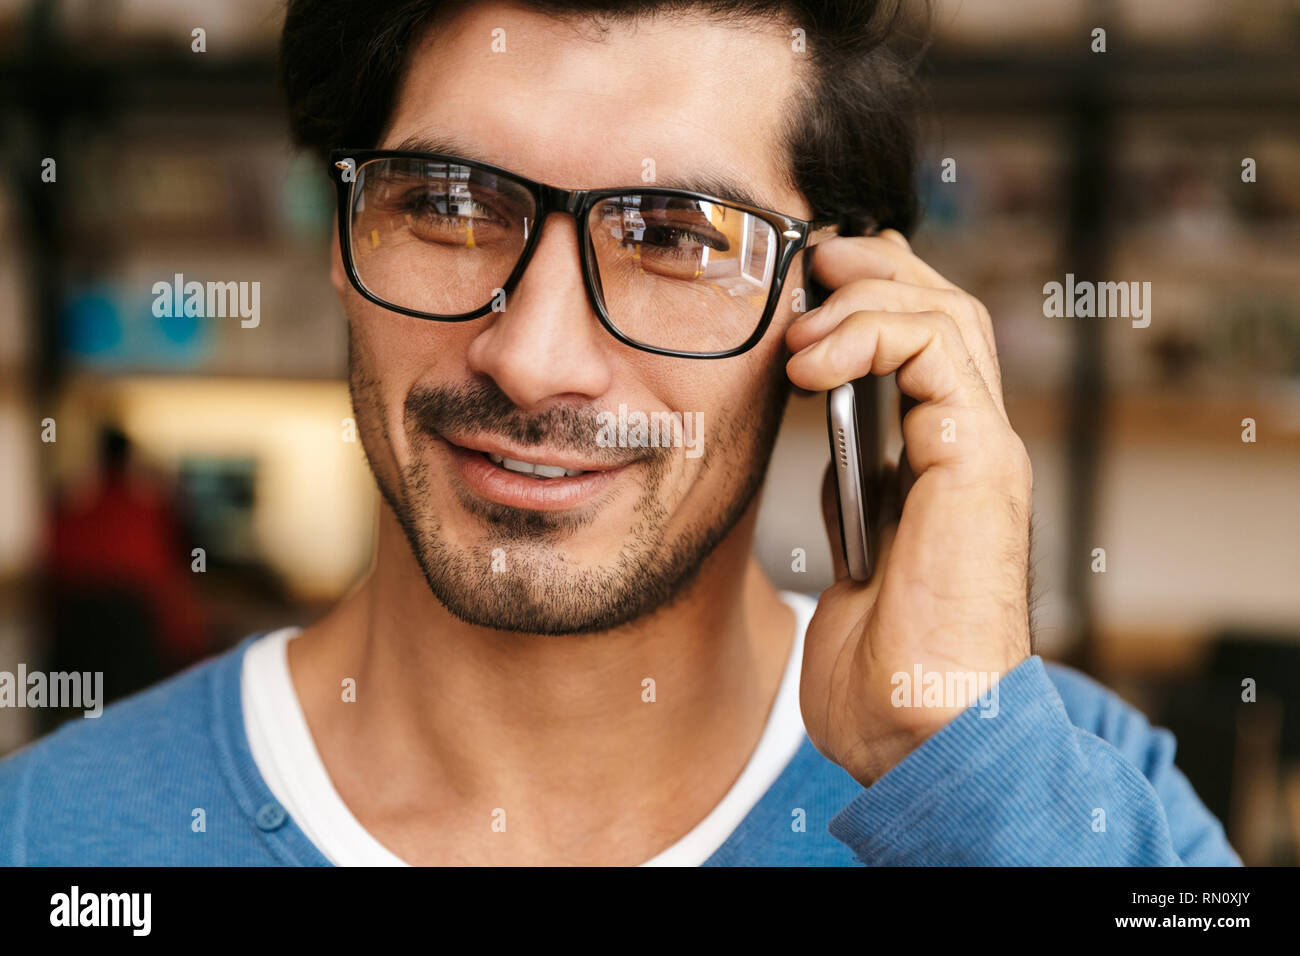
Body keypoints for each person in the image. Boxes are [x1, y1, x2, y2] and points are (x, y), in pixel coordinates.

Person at [0, 0, 1238, 865]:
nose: (533, 355)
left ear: (841, 303)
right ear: (339, 235)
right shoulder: (49, 834)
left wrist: (958, 763)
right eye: (444, 204)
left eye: (675, 236)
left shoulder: (1066, 787)